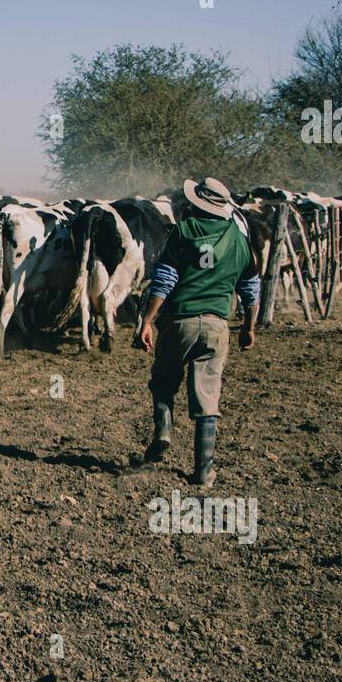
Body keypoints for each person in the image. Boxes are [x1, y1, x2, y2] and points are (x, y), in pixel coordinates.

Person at [138, 177, 260, 487]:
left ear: (195, 204)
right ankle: (204, 472)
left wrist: (147, 321)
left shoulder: (182, 232)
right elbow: (251, 290)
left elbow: (164, 280)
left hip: (179, 322)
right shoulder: (239, 239)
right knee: (207, 397)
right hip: (217, 325)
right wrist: (249, 327)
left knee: (163, 380)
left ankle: (163, 432)